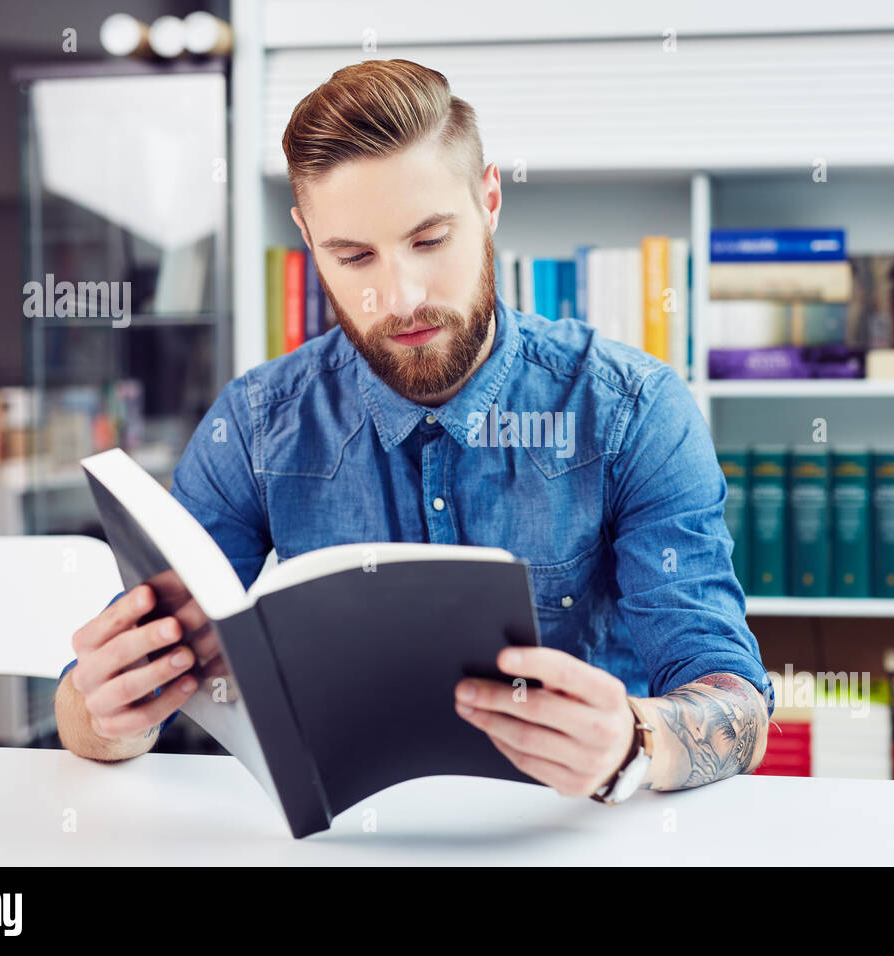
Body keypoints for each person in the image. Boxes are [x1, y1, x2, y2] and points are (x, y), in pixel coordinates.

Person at [56, 58, 773, 804]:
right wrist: (106, 712)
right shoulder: (256, 425)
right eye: (354, 255)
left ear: (489, 200)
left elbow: (736, 708)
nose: (400, 298)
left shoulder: (635, 410)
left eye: (429, 241)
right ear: (307, 238)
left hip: (580, 835)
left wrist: (635, 740)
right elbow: (92, 713)